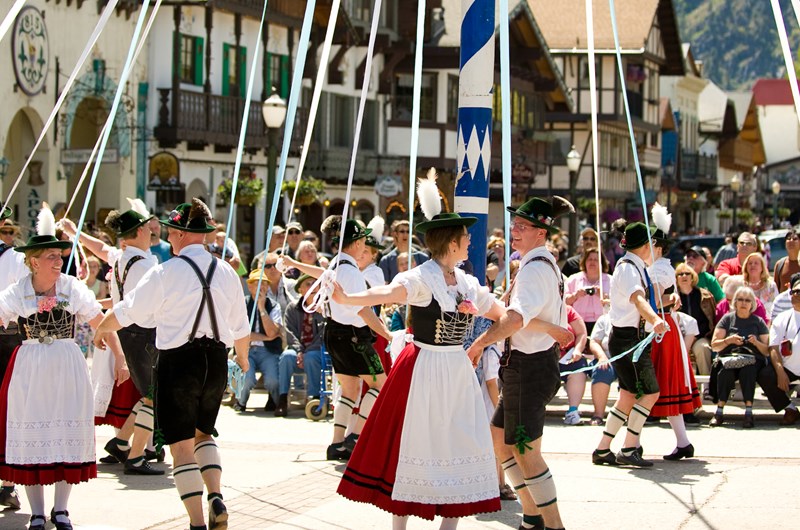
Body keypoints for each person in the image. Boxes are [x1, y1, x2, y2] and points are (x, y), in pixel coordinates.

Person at [336, 174, 506, 529]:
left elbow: (499, 313)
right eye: (465, 236)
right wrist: (349, 298)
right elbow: (386, 293)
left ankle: (449, 525)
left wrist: (495, 337)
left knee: (457, 442)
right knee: (414, 443)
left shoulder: (466, 281)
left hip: (456, 371)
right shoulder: (420, 278)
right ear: (452, 243)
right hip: (424, 368)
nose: (470, 240)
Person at [94, 199, 251, 530]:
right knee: (204, 436)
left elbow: (127, 312)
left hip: (179, 362)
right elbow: (241, 329)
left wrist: (100, 328)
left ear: (179, 234)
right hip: (216, 361)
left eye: (170, 230)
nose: (166, 234)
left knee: (181, 448)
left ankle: (197, 523)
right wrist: (244, 360)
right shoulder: (225, 271)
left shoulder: (165, 271)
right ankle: (216, 496)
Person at [0, 205, 127, 530]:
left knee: (65, 435)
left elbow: (102, 320)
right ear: (33, 261)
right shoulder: (17, 291)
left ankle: (61, 510)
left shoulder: (72, 288)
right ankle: (38, 514)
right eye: (51, 257)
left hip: (67, 366)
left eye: (59, 255)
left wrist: (120, 356)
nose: (58, 262)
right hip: (30, 367)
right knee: (33, 440)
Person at [466, 195, 576, 530]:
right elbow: (523, 317)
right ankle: (531, 517)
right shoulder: (537, 264)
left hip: (530, 367)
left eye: (523, 226)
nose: (514, 230)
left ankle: (553, 526)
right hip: (523, 365)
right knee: (500, 440)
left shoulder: (534, 269)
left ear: (541, 232)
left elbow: (515, 321)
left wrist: (479, 344)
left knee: (526, 451)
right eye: (514, 224)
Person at [61, 202, 166, 475]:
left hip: (128, 331)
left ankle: (121, 443)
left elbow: (99, 248)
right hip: (144, 333)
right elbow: (153, 301)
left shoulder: (122, 258)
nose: (151, 232)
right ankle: (135, 456)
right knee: (154, 396)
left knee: (148, 395)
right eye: (147, 228)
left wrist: (76, 233)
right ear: (141, 231)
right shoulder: (144, 264)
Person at [591, 222, 669, 468]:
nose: (654, 246)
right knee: (650, 393)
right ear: (646, 245)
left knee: (627, 396)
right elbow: (637, 299)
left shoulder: (635, 266)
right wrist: (655, 318)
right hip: (628, 339)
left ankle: (603, 449)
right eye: (652, 242)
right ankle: (629, 447)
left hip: (631, 337)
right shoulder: (629, 269)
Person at [318, 217, 391, 460]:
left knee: (349, 390)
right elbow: (363, 309)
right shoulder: (350, 271)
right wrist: (387, 334)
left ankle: (336, 443)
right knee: (381, 385)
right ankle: (355, 436)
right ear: (358, 241)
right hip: (354, 337)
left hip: (334, 333)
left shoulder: (334, 267)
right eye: (362, 240)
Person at [645, 211, 701, 460]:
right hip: (661, 327)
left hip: (660, 329)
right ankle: (683, 441)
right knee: (656, 386)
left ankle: (630, 443)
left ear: (656, 246)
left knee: (657, 385)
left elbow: (655, 301)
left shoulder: (659, 270)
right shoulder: (658, 267)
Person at [708, 286, 769, 428]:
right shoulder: (727, 319)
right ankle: (719, 411)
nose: (743, 303)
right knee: (725, 372)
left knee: (748, 370)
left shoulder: (758, 321)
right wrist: (728, 340)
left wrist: (756, 342)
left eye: (747, 300)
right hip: (730, 357)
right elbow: (715, 345)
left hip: (752, 358)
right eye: (740, 299)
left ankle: (748, 412)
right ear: (735, 302)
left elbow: (766, 350)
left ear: (752, 304)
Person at [0, 206, 28, 512]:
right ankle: (7, 484)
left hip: (6, 338)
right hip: (7, 338)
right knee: (8, 410)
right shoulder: (16, 259)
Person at [234, 269, 285, 414]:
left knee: (272, 381)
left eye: (264, 284)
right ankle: (241, 402)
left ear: (268, 287)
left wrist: (262, 308)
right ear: (249, 287)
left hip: (268, 351)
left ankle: (275, 402)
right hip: (247, 350)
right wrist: (264, 337)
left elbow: (272, 332)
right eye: (256, 284)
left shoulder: (274, 306)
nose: (261, 288)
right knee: (247, 379)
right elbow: (239, 333)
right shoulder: (242, 303)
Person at [760, 274, 800, 425]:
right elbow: (773, 347)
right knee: (765, 374)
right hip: (788, 367)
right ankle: (790, 409)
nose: (796, 295)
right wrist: (780, 370)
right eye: (793, 292)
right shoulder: (781, 318)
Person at [283, 274, 325, 402]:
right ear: (300, 290)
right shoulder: (292, 308)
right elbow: (289, 332)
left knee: (311, 357)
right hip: (297, 349)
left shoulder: (324, 307)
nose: (313, 287)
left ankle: (314, 397)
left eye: (316, 283)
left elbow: (323, 333)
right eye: (308, 284)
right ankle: (282, 398)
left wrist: (306, 352)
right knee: (286, 356)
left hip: (317, 351)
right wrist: (299, 350)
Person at [675, 263, 716, 375]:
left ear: (692, 277)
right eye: (680, 274)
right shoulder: (671, 298)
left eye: (687, 273)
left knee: (702, 348)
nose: (684, 276)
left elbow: (709, 322)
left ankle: (706, 385)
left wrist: (695, 336)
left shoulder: (705, 296)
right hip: (677, 337)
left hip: (700, 337)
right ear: (676, 278)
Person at [565, 247, 611, 335]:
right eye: (590, 259)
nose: (592, 262)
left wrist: (604, 295)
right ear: (584, 261)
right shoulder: (573, 279)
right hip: (577, 323)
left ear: (602, 263)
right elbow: (564, 303)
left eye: (596, 260)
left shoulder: (610, 280)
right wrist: (575, 295)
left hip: (602, 324)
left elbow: (617, 303)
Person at [558, 306, 589, 425]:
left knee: (578, 370)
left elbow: (581, 333)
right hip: (543, 357)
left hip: (568, 356)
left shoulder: (568, 310)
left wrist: (578, 350)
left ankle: (572, 411)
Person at [586, 313, 617, 425]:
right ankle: (598, 415)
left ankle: (629, 416)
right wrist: (601, 356)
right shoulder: (604, 319)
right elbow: (594, 342)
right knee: (601, 370)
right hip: (606, 358)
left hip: (629, 359)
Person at [742, 253, 780, 318]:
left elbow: (778, 307)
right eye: (750, 263)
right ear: (746, 267)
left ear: (762, 267)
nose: (752, 265)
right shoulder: (741, 285)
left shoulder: (771, 286)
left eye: (756, 263)